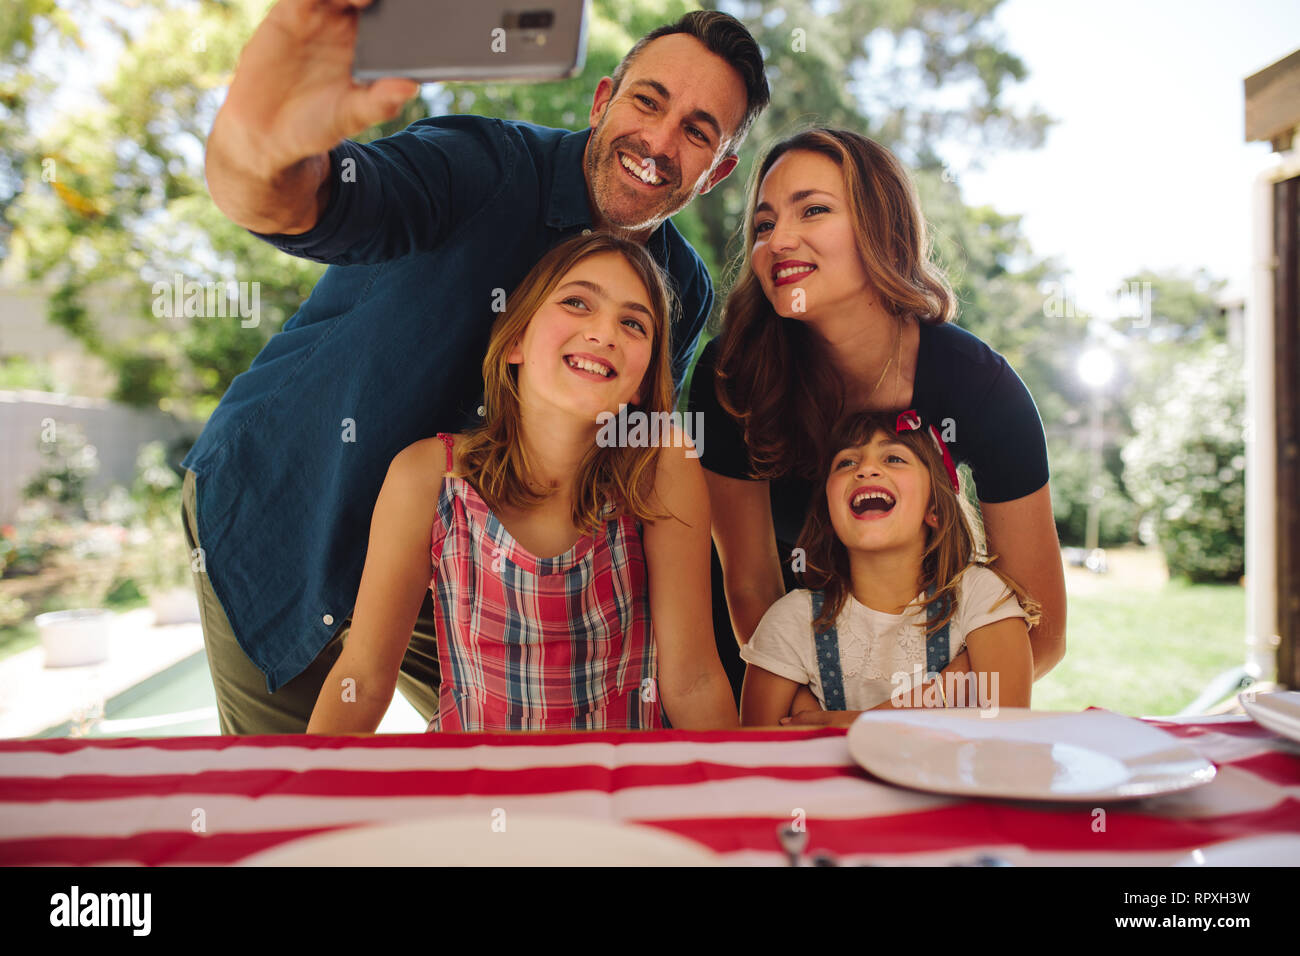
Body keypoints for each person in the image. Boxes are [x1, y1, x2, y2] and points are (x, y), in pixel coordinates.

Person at [180, 2, 769, 733]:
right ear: (601, 99)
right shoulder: (479, 166)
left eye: (697, 131)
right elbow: (306, 201)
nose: (658, 139)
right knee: (292, 793)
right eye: (647, 101)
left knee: (498, 727)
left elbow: (624, 459)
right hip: (285, 510)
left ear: (717, 172)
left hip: (469, 556)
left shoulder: (683, 289)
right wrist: (260, 144)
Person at [687, 127, 1066, 705]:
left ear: (883, 229)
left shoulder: (979, 385)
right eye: (763, 225)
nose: (779, 239)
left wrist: (884, 718)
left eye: (812, 210)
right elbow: (750, 582)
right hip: (769, 669)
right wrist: (804, 702)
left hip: (934, 702)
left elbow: (1043, 632)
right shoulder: (733, 376)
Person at [306, 233, 736, 732]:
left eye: (634, 323)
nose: (604, 333)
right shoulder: (426, 475)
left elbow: (693, 681)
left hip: (618, 792)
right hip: (470, 792)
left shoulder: (662, 464)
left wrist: (738, 802)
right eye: (577, 302)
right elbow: (364, 677)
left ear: (642, 383)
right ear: (515, 341)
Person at [739, 409, 1037, 727]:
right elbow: (759, 753)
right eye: (846, 462)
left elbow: (1007, 728)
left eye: (894, 458)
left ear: (934, 509)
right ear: (829, 520)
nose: (866, 469)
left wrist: (851, 723)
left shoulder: (980, 595)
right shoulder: (791, 621)